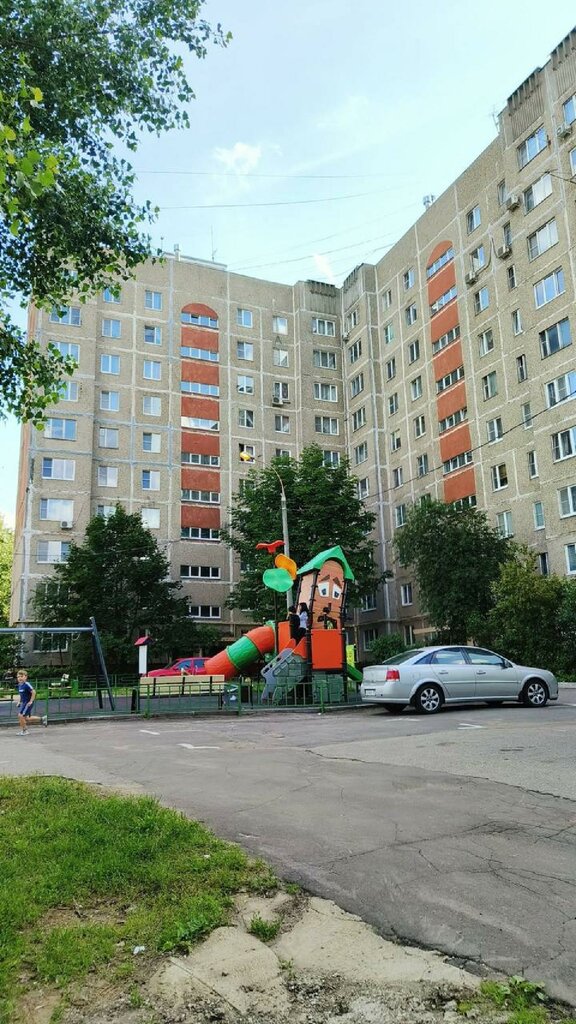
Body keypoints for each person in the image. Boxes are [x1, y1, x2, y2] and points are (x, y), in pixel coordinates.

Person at [16, 669, 48, 734]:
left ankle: (24, 731)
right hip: (23, 703)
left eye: (21, 676)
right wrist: (19, 702)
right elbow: (21, 694)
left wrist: (31, 701)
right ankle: (42, 719)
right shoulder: (19, 685)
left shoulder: (26, 684)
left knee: (20, 715)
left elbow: (33, 692)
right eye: (18, 677)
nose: (20, 678)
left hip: (28, 703)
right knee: (27, 718)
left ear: (26, 677)